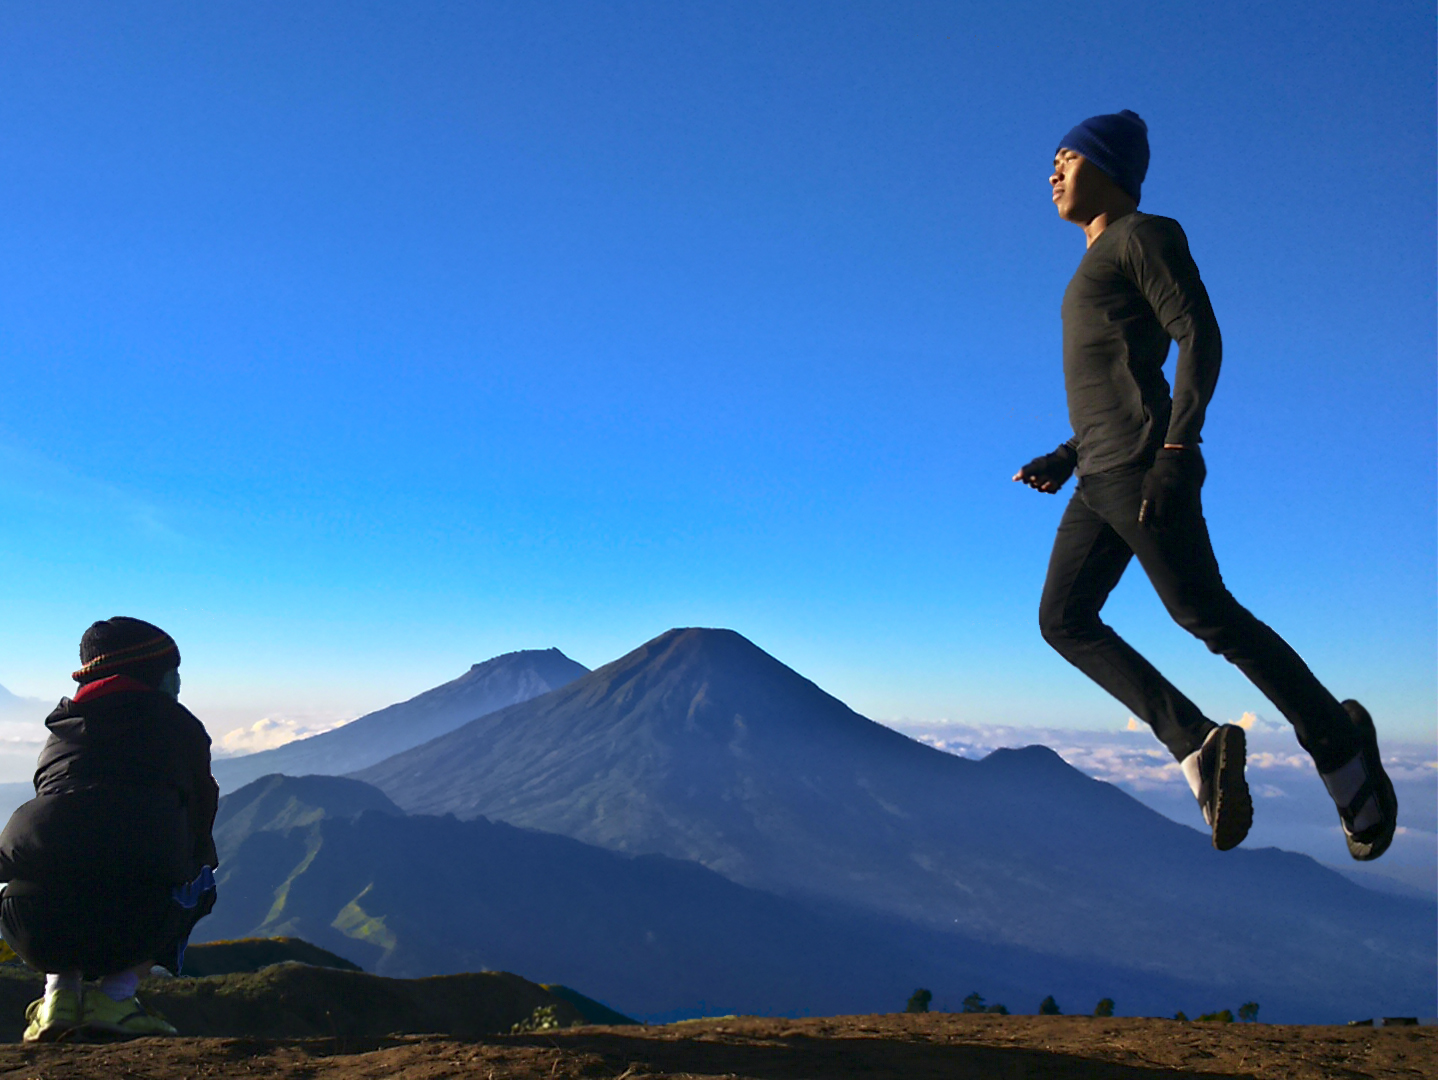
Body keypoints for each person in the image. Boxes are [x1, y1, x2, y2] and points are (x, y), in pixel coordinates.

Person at [1015, 110, 1396, 859]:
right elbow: (1126, 374)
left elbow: (1199, 333)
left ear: (1110, 167)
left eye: (1067, 156)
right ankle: (1199, 745)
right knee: (1063, 619)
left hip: (1141, 464)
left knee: (1206, 614)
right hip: (1098, 472)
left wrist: (1178, 447)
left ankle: (1344, 754)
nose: (1052, 170)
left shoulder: (1144, 235)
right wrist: (1066, 454)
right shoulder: (1093, 263)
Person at [0, 618, 218, 1041]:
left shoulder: (60, 730)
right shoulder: (180, 729)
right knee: (202, 880)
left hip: (28, 921)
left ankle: (58, 996)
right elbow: (200, 822)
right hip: (133, 921)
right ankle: (116, 1000)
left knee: (60, 862)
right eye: (172, 671)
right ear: (152, 674)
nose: (178, 681)